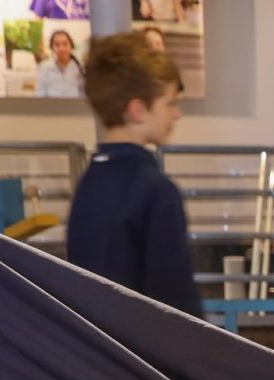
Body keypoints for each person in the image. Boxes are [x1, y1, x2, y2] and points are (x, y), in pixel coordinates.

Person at [66, 32, 202, 317]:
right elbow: (175, 305)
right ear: (138, 110)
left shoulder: (89, 183)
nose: (177, 114)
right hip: (142, 356)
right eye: (170, 103)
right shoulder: (155, 191)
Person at [35, 29, 84, 99]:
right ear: (52, 48)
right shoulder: (44, 67)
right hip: (51, 107)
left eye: (65, 44)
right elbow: (40, 93)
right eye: (57, 45)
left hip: (74, 106)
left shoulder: (80, 67)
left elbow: (84, 93)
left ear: (71, 45)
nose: (62, 48)